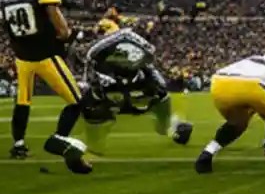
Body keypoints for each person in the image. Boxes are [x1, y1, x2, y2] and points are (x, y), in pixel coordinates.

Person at [0, 0, 89, 174]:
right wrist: (68, 36)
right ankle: (59, 138)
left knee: (22, 102)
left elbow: (6, 27)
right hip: (46, 56)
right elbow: (62, 30)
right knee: (76, 102)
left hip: (22, 58)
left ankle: (18, 144)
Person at [78, 20, 194, 156]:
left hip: (131, 85)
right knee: (95, 107)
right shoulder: (105, 50)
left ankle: (171, 127)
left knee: (158, 96)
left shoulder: (113, 44)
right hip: (119, 87)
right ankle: (95, 139)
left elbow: (149, 56)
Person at [195, 43, 265, 177]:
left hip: (219, 83)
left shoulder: (256, 59)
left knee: (238, 123)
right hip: (251, 84)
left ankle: (207, 154)